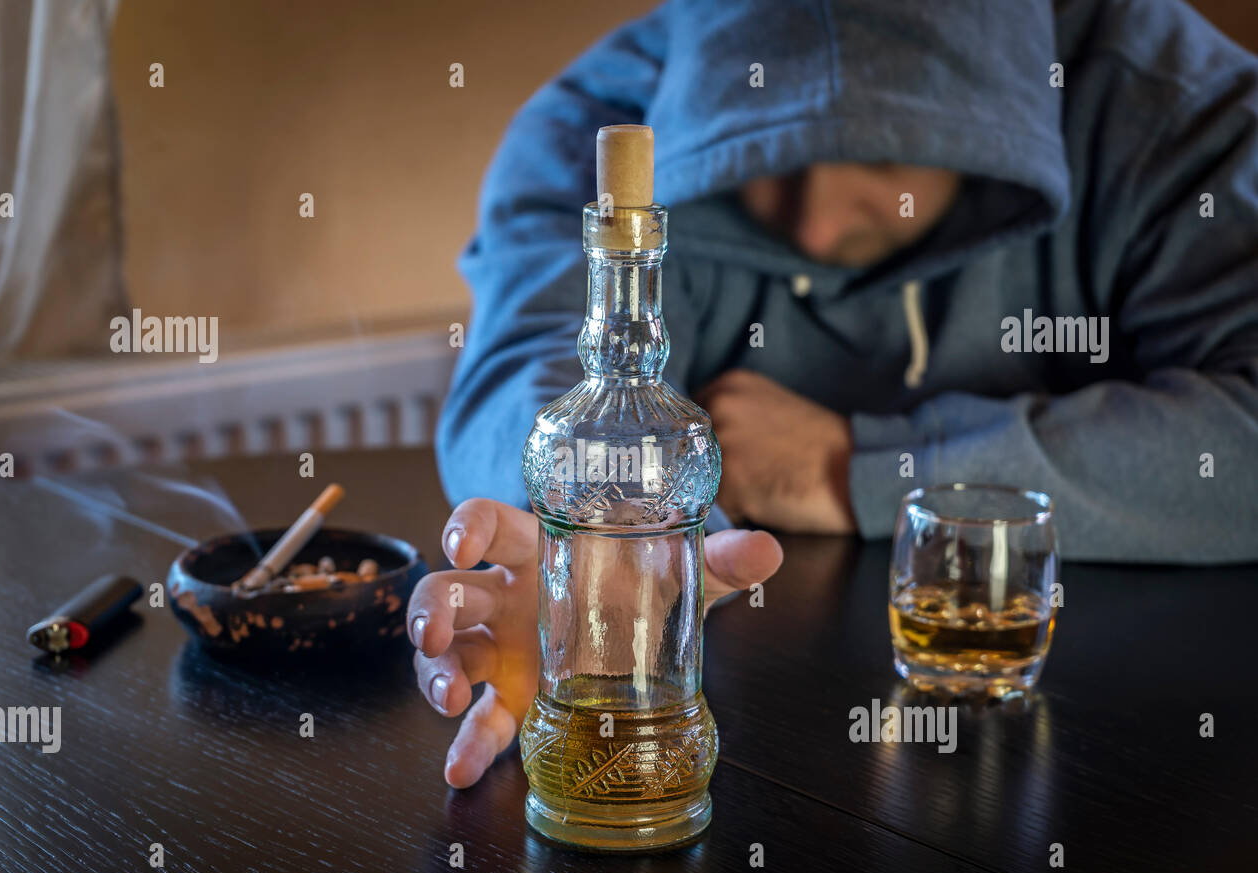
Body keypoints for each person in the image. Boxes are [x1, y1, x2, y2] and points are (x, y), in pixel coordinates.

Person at [413, 0, 1258, 787]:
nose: (815, 226)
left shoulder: (1176, 106)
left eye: (886, 156)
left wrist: (861, 463)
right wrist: (601, 558)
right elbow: (532, 362)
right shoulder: (603, 129)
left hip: (1111, 752)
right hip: (744, 734)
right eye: (764, 158)